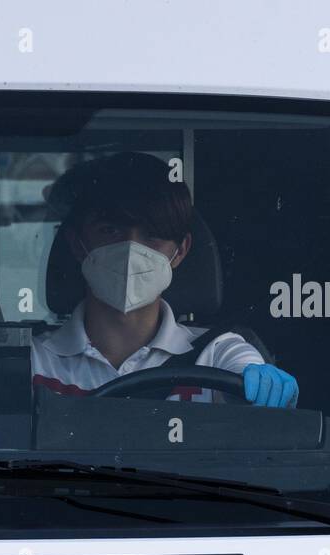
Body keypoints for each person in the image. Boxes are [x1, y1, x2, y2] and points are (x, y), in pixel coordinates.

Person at [31, 152, 299, 408]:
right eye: (110, 230)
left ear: (180, 251)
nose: (130, 249)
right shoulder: (34, 360)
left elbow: (241, 368)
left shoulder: (216, 352)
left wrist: (260, 388)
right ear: (78, 245)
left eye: (152, 235)